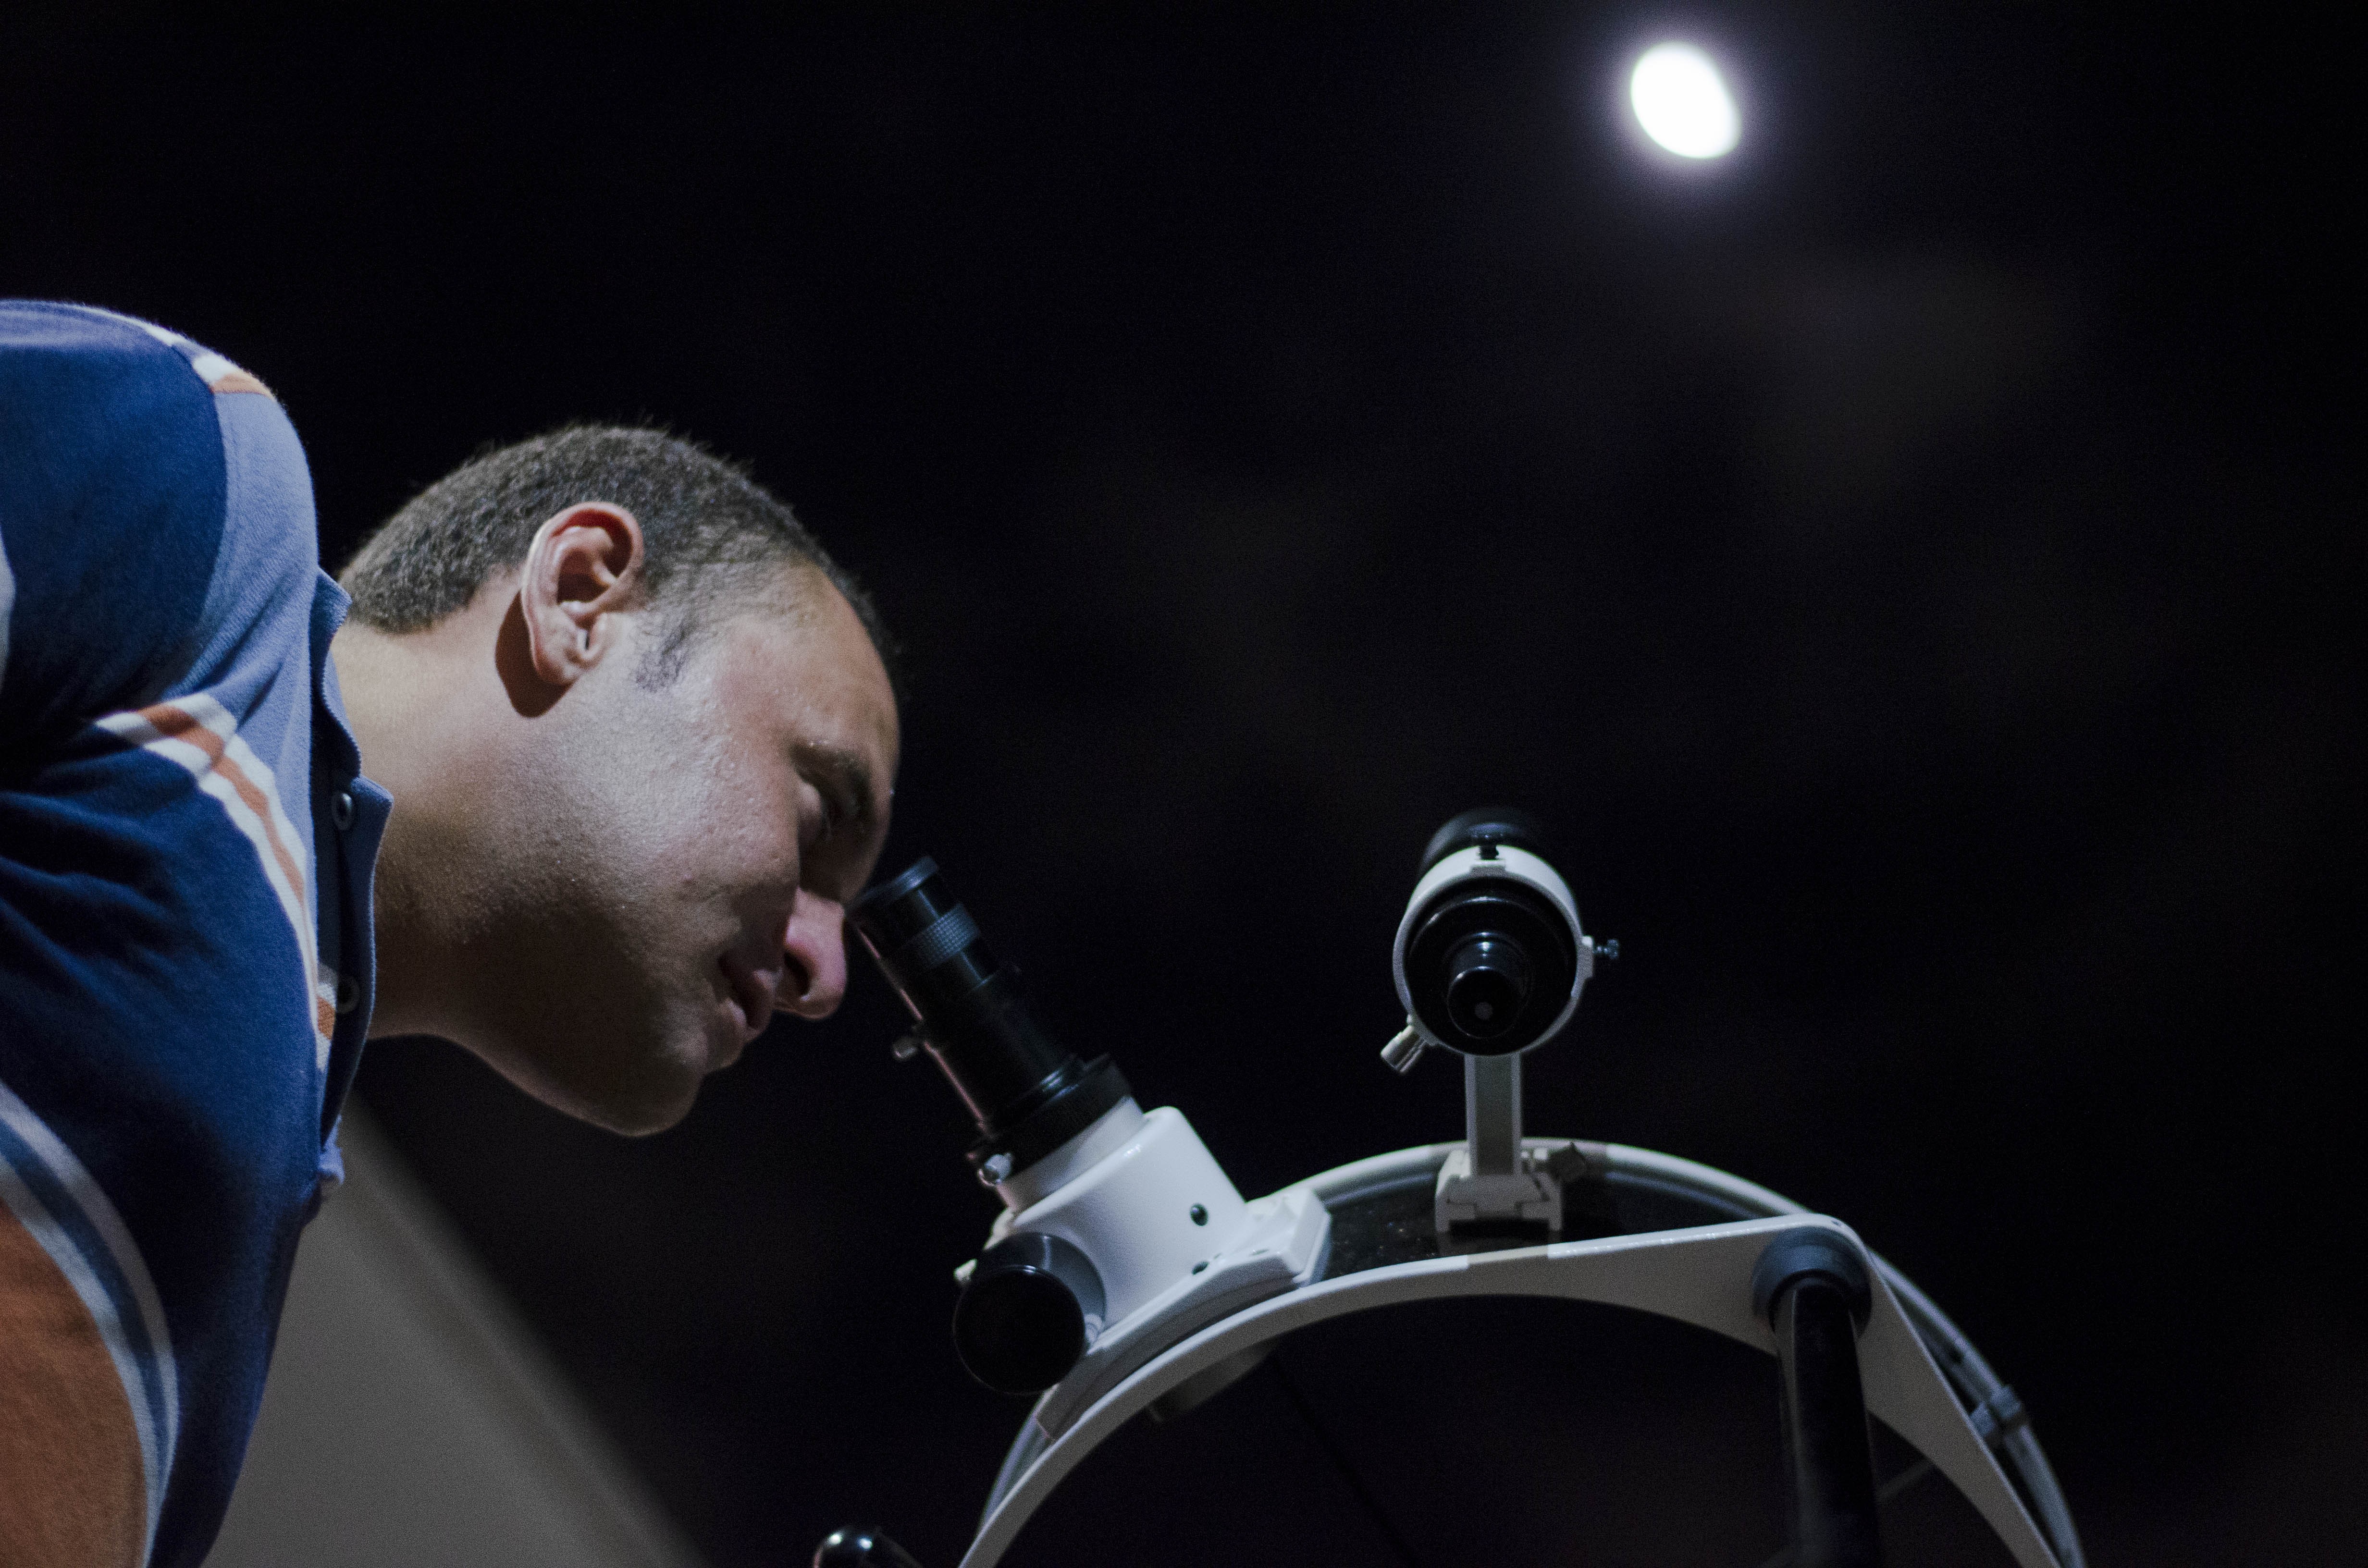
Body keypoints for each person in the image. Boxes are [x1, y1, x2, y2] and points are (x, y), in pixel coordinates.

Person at [0, 301, 899, 1568]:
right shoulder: (203, 478)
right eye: (814, 816)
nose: (826, 969)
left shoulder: (264, 1165)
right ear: (584, 593)